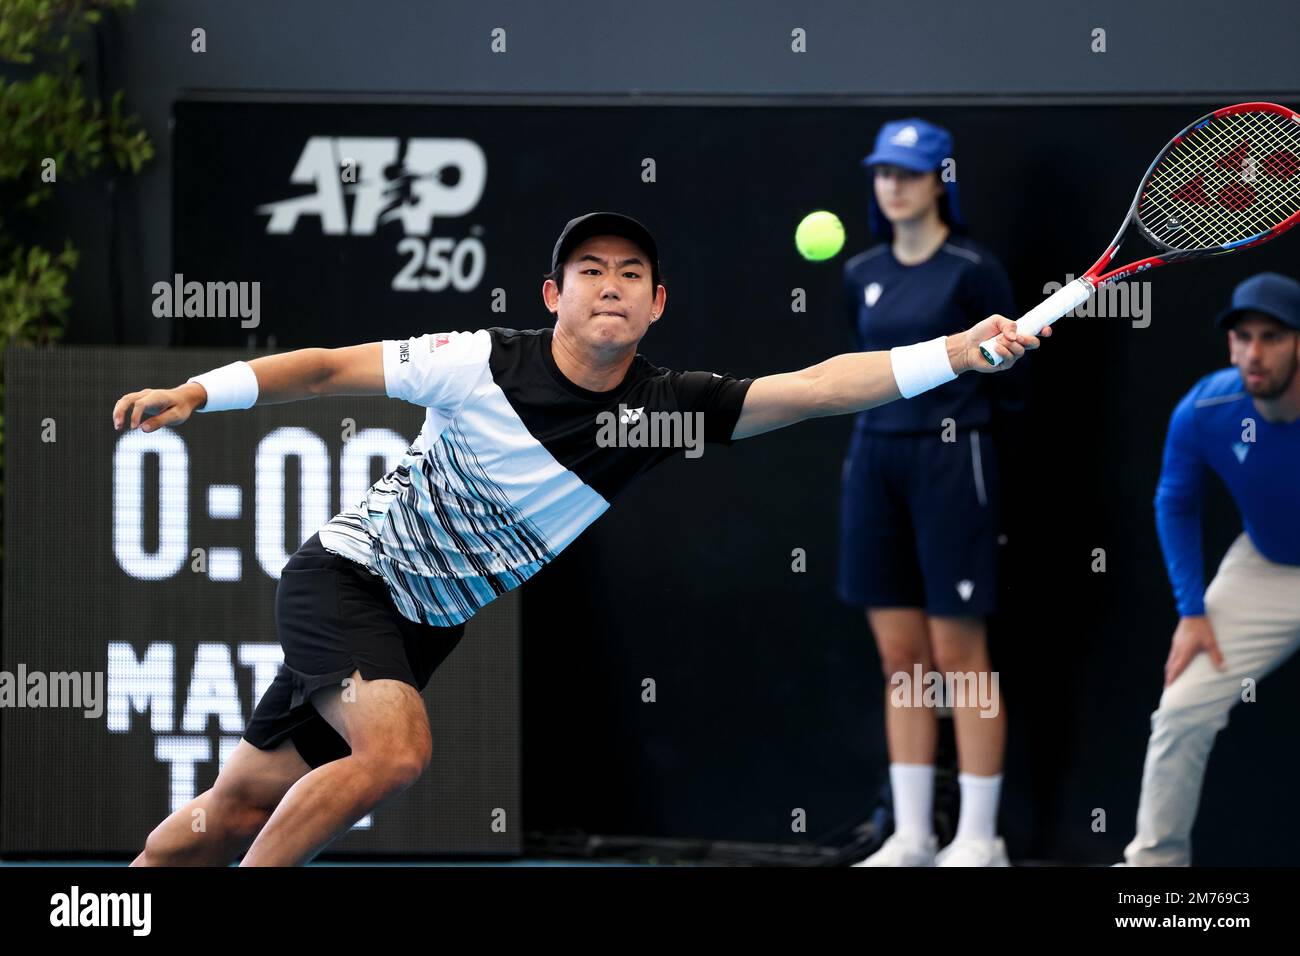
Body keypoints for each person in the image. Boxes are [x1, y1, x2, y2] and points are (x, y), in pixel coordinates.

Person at [113, 211, 1044, 867]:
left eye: (631, 274)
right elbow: (323, 369)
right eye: (591, 271)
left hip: (422, 627)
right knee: (395, 753)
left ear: (656, 305)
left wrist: (955, 351)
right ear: (555, 294)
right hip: (347, 581)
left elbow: (821, 385)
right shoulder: (477, 362)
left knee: (228, 809)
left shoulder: (668, 409)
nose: (612, 285)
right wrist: (203, 390)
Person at [843, 119, 1024, 867]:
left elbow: (1015, 390)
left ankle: (980, 838)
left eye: (910, 173)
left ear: (939, 181)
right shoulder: (858, 272)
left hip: (953, 465)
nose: (893, 185)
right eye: (884, 172)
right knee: (899, 657)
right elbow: (856, 371)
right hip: (873, 462)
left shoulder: (974, 268)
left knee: (960, 656)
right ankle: (913, 835)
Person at [1121, 272, 1300, 867]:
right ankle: (1155, 874)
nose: (1254, 353)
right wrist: (1191, 611)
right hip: (1268, 568)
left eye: (1272, 337)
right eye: (1243, 336)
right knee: (1180, 708)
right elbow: (1175, 500)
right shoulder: (1206, 409)